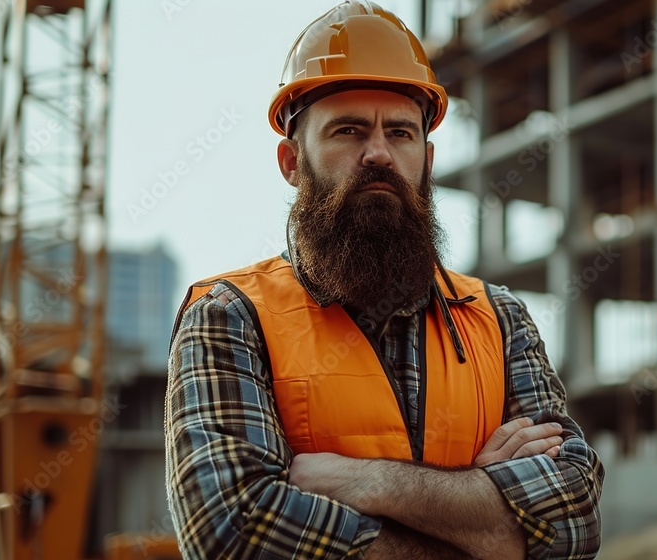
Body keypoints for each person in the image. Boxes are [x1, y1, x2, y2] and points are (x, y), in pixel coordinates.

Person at [164, 2, 604, 558]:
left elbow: (576, 526)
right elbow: (234, 532)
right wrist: (481, 513)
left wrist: (363, 482)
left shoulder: (499, 319)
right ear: (291, 163)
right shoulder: (229, 315)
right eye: (348, 131)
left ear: (427, 158)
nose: (378, 154)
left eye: (400, 132)